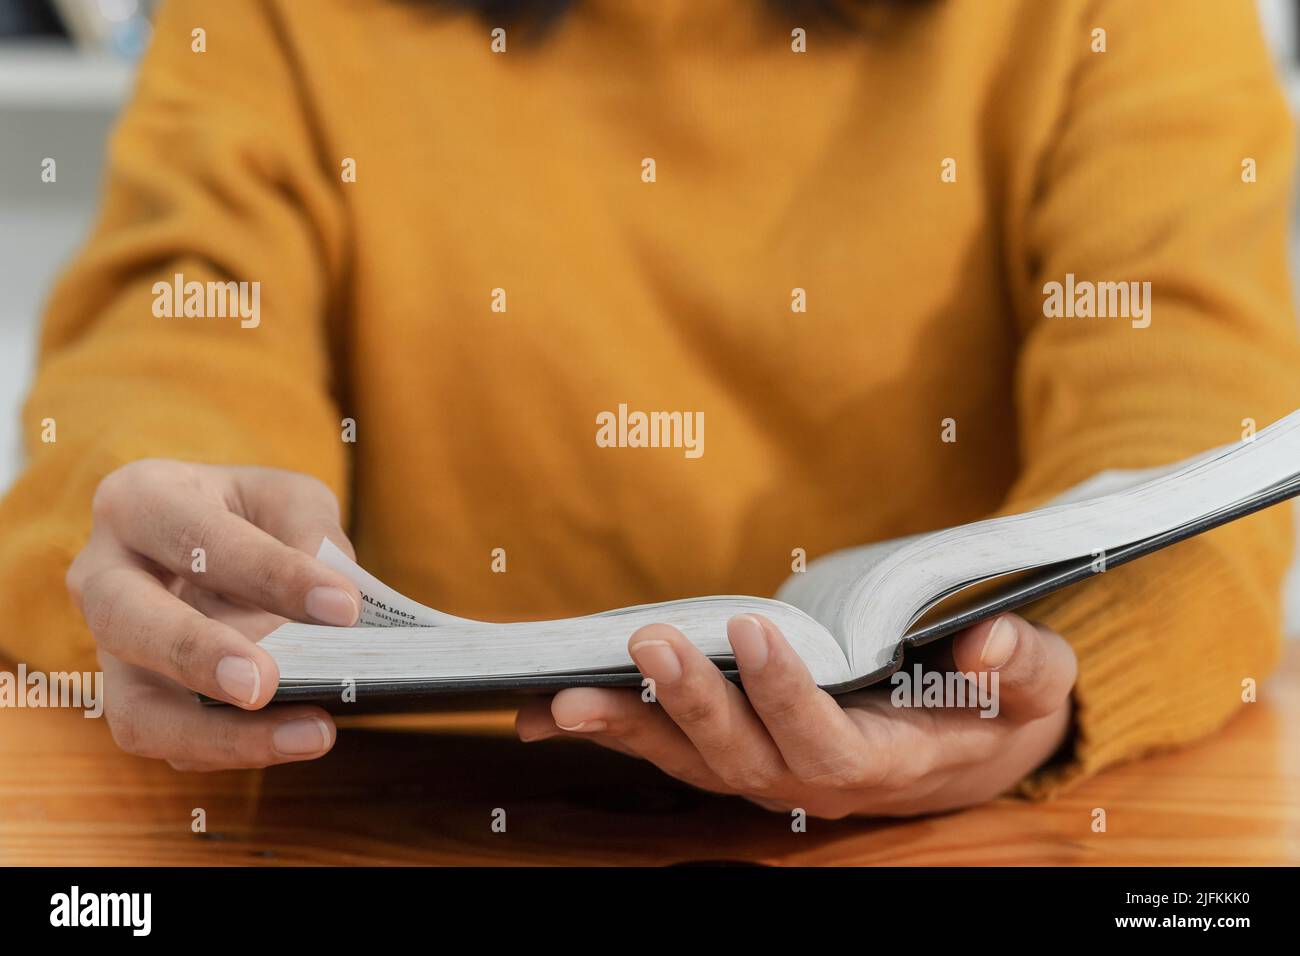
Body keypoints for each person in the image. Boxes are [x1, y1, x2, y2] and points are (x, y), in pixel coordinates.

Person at [2, 0, 1297, 817]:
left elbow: (1191, 379)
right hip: (397, 823)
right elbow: (177, 324)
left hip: (960, 820)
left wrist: (1058, 679)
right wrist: (183, 540)